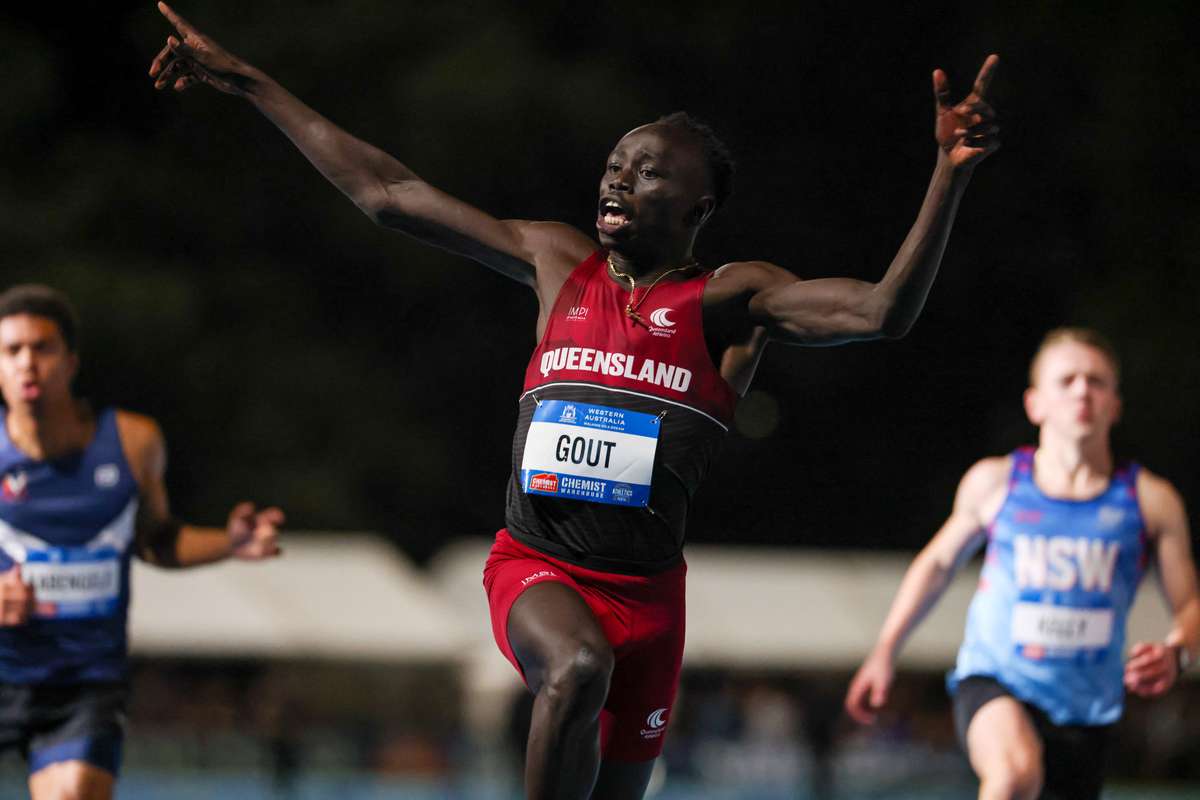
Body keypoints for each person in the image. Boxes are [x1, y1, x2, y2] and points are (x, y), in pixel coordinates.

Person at [148, 4, 1000, 797]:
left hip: (652, 602)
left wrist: (948, 175)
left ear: (698, 206)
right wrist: (250, 82)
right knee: (577, 667)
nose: (618, 181)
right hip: (537, 567)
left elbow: (880, 312)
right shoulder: (558, 263)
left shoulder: (730, 302)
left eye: (646, 172)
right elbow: (389, 195)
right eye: (613, 166)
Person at [844, 327, 1200, 800]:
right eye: (1067, 379)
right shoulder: (996, 483)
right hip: (995, 681)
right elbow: (936, 565)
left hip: (1085, 714)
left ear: (1115, 404)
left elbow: (1190, 603)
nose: (1082, 390)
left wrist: (1179, 652)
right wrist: (885, 649)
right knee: (1014, 775)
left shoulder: (1151, 501)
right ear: (1035, 404)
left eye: (1096, 381)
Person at [0, 284, 284, 800]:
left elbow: (154, 539)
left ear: (71, 361)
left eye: (42, 348)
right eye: (11, 350)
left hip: (83, 683)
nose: (27, 364)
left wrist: (229, 543)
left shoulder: (132, 442)